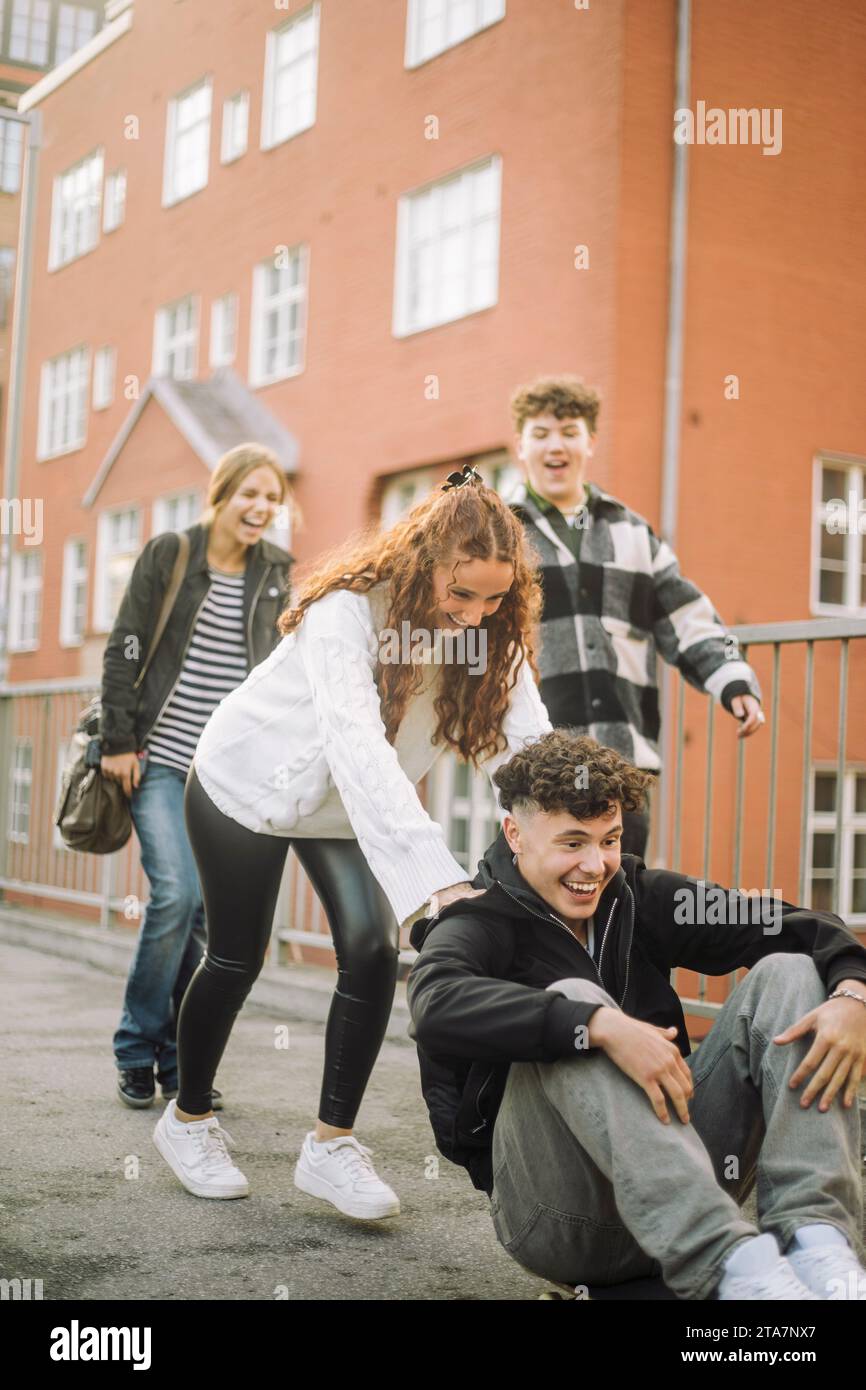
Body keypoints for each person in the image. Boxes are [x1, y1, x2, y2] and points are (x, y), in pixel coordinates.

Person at [151, 467, 553, 1219]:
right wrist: (435, 880)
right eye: (460, 594)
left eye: (495, 599)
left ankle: (330, 1146)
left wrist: (565, 826)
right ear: (424, 562)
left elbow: (523, 741)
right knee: (237, 956)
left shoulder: (489, 636)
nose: (475, 615)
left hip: (337, 809)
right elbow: (358, 746)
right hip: (248, 783)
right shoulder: (346, 611)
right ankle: (189, 1120)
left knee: (371, 949)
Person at [407, 729, 866, 1300]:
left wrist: (853, 995)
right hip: (560, 1217)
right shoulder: (477, 921)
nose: (595, 865)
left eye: (609, 840)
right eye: (572, 843)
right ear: (515, 833)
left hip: (689, 1188)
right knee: (573, 1004)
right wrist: (598, 1023)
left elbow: (790, 924)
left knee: (792, 972)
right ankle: (732, 1269)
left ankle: (815, 1244)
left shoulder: (640, 896)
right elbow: (435, 1003)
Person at [101, 444, 293, 1110]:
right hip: (159, 759)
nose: (261, 509)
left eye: (273, 499)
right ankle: (136, 1047)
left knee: (208, 919)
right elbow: (125, 643)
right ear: (223, 493)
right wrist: (118, 739)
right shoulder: (171, 554)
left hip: (227, 773)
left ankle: (184, 1062)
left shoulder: (277, 573)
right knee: (175, 897)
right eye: (251, 494)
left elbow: (283, 670)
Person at [507, 374, 766, 859]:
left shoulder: (631, 531)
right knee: (545, 906)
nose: (554, 445)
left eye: (568, 431)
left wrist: (733, 678)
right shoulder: (498, 530)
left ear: (590, 442)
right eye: (539, 434)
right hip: (534, 757)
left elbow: (687, 616)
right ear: (520, 446)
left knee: (621, 898)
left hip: (623, 763)